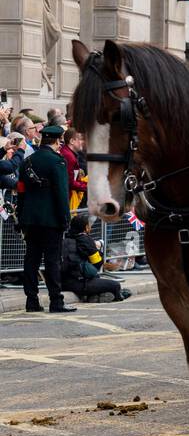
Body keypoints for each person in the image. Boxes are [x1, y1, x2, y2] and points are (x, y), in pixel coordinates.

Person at [17, 122, 76, 314]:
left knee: (31, 260)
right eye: (60, 141)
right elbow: (61, 193)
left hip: (30, 219)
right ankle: (56, 301)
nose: (61, 144)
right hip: (51, 220)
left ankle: (31, 301)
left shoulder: (28, 161)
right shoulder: (57, 161)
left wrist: (21, 216)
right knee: (52, 261)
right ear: (57, 141)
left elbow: (21, 191)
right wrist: (65, 218)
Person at [61, 216, 131, 302]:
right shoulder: (85, 240)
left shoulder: (64, 240)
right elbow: (98, 264)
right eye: (89, 226)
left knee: (97, 279)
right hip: (80, 283)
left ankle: (95, 296)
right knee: (115, 285)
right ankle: (117, 296)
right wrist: (96, 248)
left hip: (62, 283)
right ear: (86, 227)